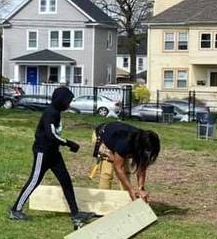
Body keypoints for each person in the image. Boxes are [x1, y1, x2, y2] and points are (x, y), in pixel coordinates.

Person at [9, 87, 97, 229]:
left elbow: (53, 136)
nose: (69, 104)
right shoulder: (51, 113)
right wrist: (68, 143)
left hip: (53, 153)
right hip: (42, 152)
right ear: (61, 101)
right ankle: (15, 210)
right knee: (34, 180)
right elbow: (51, 135)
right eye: (68, 101)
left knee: (66, 181)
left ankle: (75, 214)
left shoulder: (57, 113)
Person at [91, 122, 160, 201]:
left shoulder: (145, 144)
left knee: (126, 172)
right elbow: (118, 168)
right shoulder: (126, 142)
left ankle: (127, 200)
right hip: (103, 138)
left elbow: (142, 168)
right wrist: (131, 190)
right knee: (107, 173)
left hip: (118, 142)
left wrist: (141, 188)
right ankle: (103, 202)